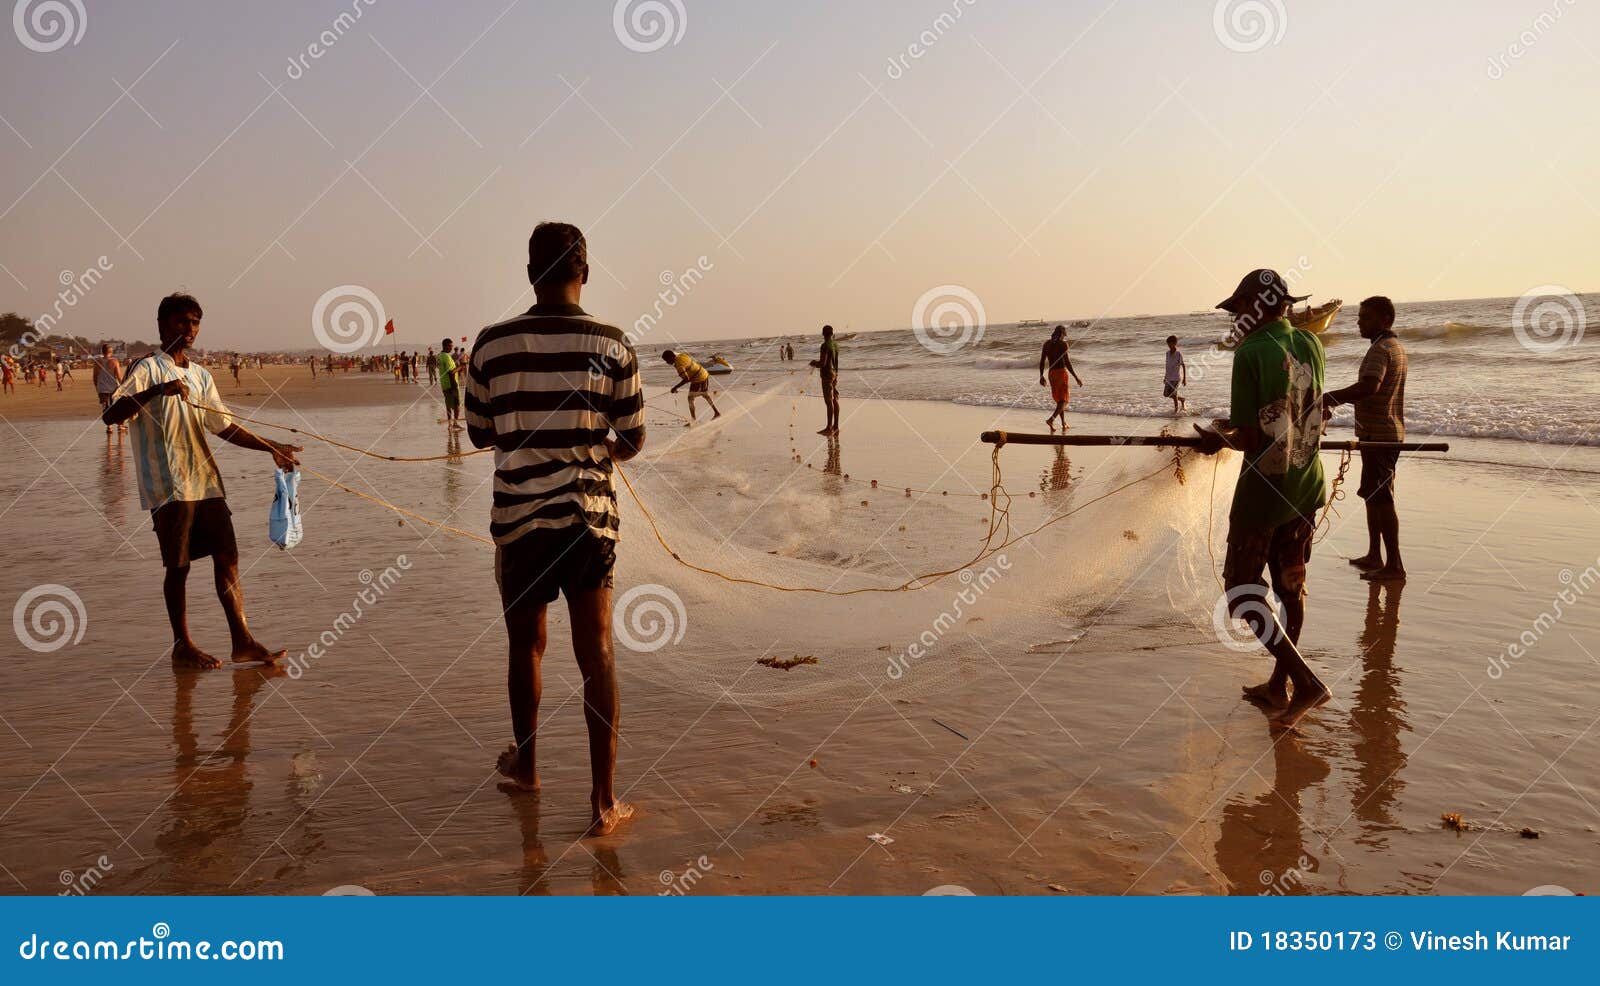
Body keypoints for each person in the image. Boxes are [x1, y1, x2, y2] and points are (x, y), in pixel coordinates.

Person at [465, 221, 645, 837]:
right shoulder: (615, 345)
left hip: (519, 521)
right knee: (596, 650)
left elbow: (480, 432)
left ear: (531, 275)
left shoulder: (490, 346)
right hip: (588, 522)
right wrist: (590, 445)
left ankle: (530, 768)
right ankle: (602, 801)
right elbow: (634, 438)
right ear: (585, 273)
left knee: (526, 647)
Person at [101, 293, 301, 670]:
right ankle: (182, 644)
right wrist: (157, 390)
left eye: (195, 322)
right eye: (182, 321)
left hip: (206, 482)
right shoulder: (147, 369)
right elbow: (111, 415)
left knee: (228, 558)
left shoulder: (200, 375)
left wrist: (272, 446)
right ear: (162, 325)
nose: (189, 329)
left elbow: (222, 426)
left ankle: (242, 641)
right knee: (178, 567)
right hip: (168, 486)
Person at [1195, 270, 1332, 727]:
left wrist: (1220, 438)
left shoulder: (1250, 352)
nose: (1237, 321)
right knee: (1291, 585)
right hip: (1307, 483)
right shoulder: (1311, 343)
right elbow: (1304, 411)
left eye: (1240, 311)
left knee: (1242, 589)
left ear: (1256, 308)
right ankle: (1279, 685)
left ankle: (1306, 683)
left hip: (1265, 493)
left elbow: (1252, 436)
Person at [1325, 296, 1408, 582]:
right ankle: (1375, 554)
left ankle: (1394, 564)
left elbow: (1369, 387)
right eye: (1360, 317)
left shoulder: (1380, 350)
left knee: (1382, 498)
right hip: (1384, 432)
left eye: (1366, 317)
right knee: (1372, 495)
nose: (1359, 322)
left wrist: (1329, 398)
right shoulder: (1394, 346)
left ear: (1385, 319)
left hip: (1380, 436)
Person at [1038, 325, 1082, 431]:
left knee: (1060, 401)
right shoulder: (1063, 344)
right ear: (1062, 334)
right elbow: (1067, 362)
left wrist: (1041, 376)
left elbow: (1042, 361)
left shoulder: (1046, 344)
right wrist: (1076, 377)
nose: (1064, 336)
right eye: (1064, 334)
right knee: (1064, 401)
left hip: (1051, 374)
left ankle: (1063, 423)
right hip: (1061, 373)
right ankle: (1051, 420)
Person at [663, 349, 721, 421]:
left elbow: (686, 379)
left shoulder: (679, 365)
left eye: (667, 360)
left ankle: (694, 420)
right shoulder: (681, 355)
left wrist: (675, 387)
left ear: (671, 357)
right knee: (705, 395)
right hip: (704, 373)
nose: (667, 362)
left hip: (698, 378)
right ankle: (716, 412)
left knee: (690, 398)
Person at [809, 324, 840, 435]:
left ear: (823, 334)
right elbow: (835, 362)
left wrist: (814, 363)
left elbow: (823, 363)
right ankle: (836, 426)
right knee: (835, 399)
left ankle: (829, 427)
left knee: (828, 401)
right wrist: (836, 375)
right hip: (835, 374)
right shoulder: (836, 345)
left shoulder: (824, 346)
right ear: (832, 333)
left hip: (827, 375)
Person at [93, 344, 124, 433]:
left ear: (102, 352)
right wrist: (123, 386)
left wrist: (97, 388)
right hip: (114, 388)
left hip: (102, 388)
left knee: (105, 408)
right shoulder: (115, 361)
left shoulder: (97, 361)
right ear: (111, 352)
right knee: (116, 407)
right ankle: (119, 425)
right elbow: (119, 376)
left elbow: (95, 377)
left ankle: (109, 427)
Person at [435, 339, 463, 429]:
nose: (451, 348)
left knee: (448, 404)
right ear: (445, 346)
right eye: (450, 346)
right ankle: (455, 423)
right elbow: (451, 372)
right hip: (451, 384)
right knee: (456, 405)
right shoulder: (446, 356)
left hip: (444, 384)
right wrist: (460, 367)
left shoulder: (439, 356)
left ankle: (450, 424)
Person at [1163, 335, 1187, 413]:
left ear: (1175, 343)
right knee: (1166, 394)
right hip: (1169, 378)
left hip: (1176, 378)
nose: (1169, 346)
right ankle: (1182, 399)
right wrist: (1165, 377)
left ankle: (1176, 411)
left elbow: (1183, 365)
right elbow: (1167, 366)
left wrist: (1184, 379)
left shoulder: (1178, 354)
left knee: (1174, 393)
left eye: (1170, 344)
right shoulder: (1167, 353)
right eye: (1168, 344)